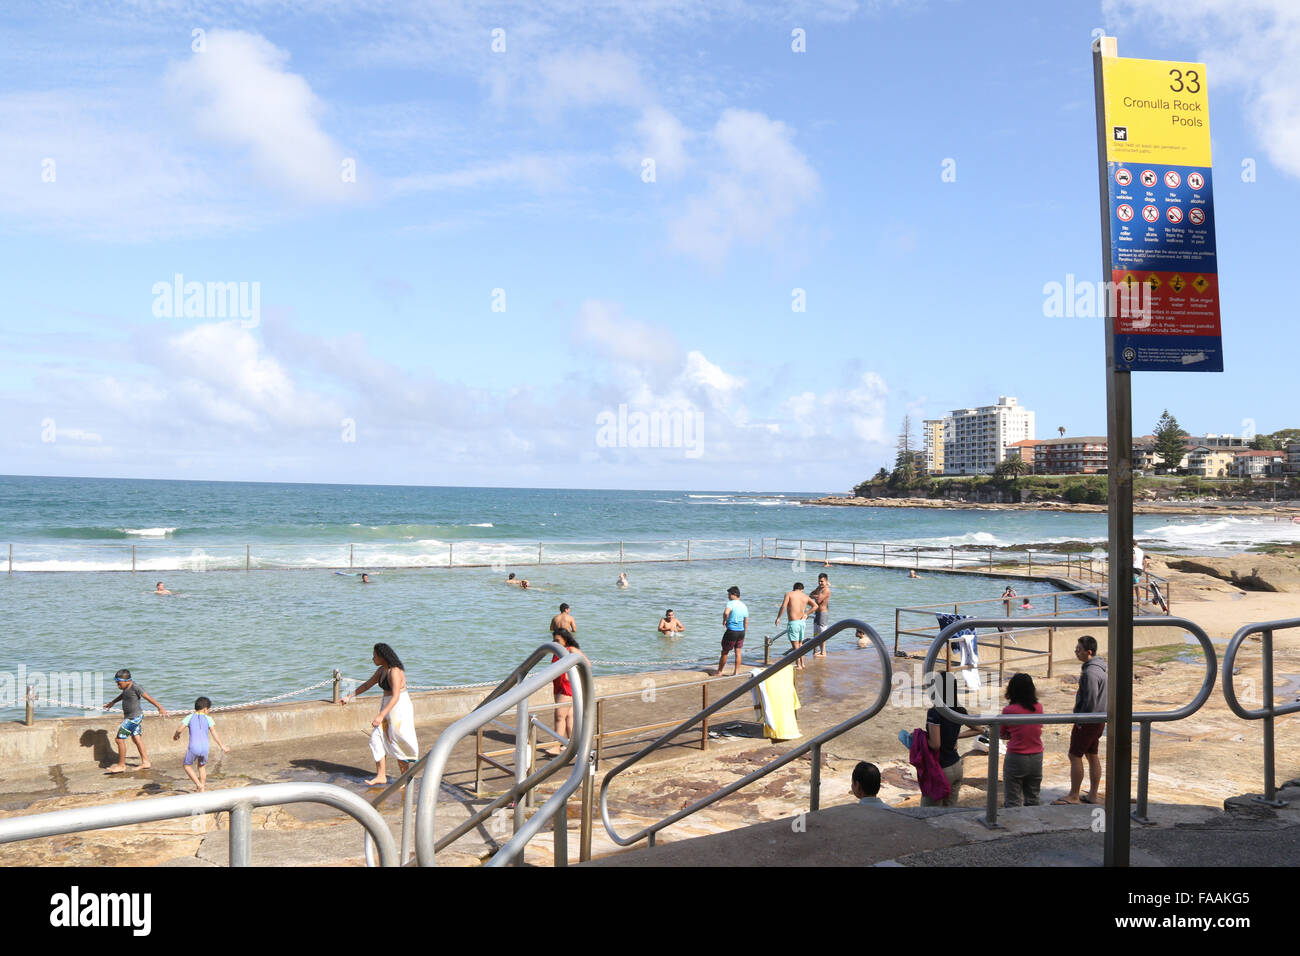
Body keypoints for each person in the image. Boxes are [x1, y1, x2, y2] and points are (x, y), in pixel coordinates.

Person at [338, 643, 418, 786]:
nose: (372, 659)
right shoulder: (382, 670)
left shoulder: (395, 671)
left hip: (399, 709)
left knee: (397, 742)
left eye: (375, 656)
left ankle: (405, 778)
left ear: (383, 657)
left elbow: (396, 697)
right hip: (387, 708)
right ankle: (381, 776)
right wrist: (349, 696)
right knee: (376, 739)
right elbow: (367, 685)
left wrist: (381, 715)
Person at [1054, 635, 1107, 805]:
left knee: (1074, 755)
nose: (1076, 653)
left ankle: (1074, 795)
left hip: (1089, 719)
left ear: (1089, 652)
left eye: (1079, 650)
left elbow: (1090, 698)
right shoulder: (1101, 668)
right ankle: (1092, 794)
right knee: (1092, 755)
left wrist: (1082, 719)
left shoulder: (1090, 672)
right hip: (1099, 718)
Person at [103, 669, 168, 773]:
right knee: (136, 738)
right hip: (132, 716)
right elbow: (123, 695)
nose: (118, 686)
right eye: (117, 684)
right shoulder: (126, 688)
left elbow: (148, 697)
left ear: (127, 681)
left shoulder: (135, 687)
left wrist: (160, 707)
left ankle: (121, 765)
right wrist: (113, 702)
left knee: (119, 740)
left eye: (119, 683)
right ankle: (146, 762)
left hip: (133, 718)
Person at [922, 670, 969, 807]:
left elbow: (935, 744)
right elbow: (979, 729)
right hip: (956, 765)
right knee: (950, 812)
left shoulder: (935, 713)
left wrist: (919, 740)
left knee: (930, 813)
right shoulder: (959, 710)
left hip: (941, 769)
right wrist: (955, 736)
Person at [1000, 673, 1044, 807]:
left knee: (1012, 800)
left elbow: (1003, 734)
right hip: (1037, 756)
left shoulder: (1008, 710)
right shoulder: (1039, 707)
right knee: (1033, 798)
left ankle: (1013, 826)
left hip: (1016, 757)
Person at [172, 696, 230, 792]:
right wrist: (222, 746)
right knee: (201, 766)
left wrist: (176, 736)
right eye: (208, 710)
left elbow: (179, 729)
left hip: (193, 747)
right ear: (205, 709)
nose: (208, 711)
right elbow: (214, 732)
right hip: (205, 747)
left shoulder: (189, 717)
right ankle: (202, 788)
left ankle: (199, 785)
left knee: (187, 765)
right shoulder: (208, 719)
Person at [545, 629, 582, 755]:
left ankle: (556, 745)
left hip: (566, 686)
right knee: (568, 716)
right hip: (558, 685)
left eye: (558, 640)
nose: (555, 643)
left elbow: (586, 664)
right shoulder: (557, 652)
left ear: (565, 640)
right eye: (554, 640)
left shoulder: (571, 650)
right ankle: (572, 746)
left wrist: (570, 675)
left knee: (559, 716)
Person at [776, 582, 818, 671]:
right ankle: (802, 664)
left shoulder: (789, 594)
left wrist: (778, 618)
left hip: (794, 623)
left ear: (793, 588)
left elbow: (783, 606)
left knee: (795, 646)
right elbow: (815, 606)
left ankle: (798, 664)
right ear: (802, 589)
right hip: (802, 622)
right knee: (800, 644)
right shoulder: (805, 596)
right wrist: (807, 614)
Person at [710, 586, 748, 677]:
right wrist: (744, 632)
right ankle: (736, 672)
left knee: (725, 652)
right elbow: (746, 621)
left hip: (732, 631)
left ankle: (719, 672)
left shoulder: (730, 603)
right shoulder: (744, 605)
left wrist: (724, 620)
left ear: (734, 594)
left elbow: (726, 613)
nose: (728, 596)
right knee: (738, 652)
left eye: (729, 594)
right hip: (741, 631)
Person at [808, 572, 831, 658]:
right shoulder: (819, 588)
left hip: (823, 613)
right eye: (819, 581)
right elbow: (810, 595)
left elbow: (818, 600)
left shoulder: (826, 590)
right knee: (816, 633)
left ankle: (823, 652)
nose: (820, 583)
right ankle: (818, 651)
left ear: (826, 581)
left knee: (822, 633)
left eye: (822, 581)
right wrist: (816, 595)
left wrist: (816, 596)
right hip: (817, 613)